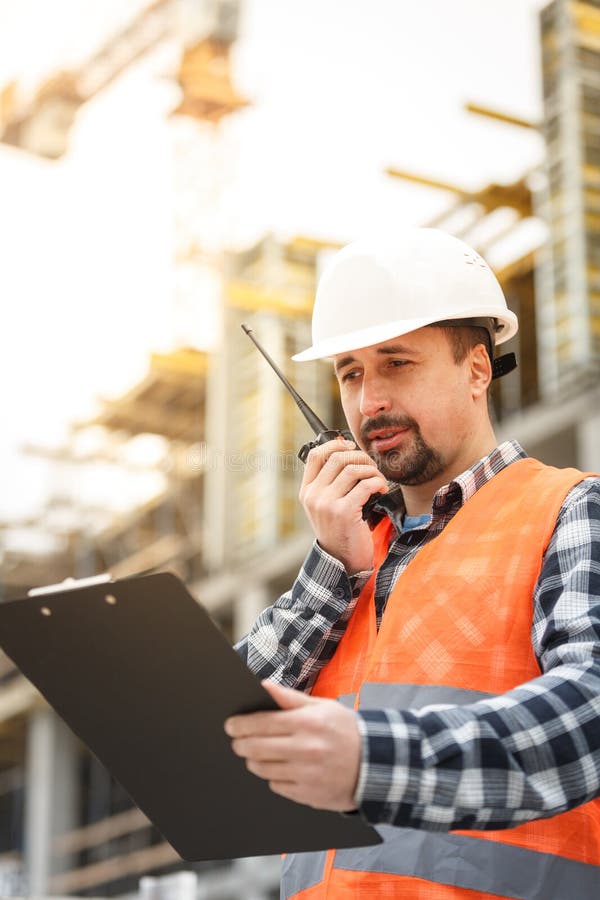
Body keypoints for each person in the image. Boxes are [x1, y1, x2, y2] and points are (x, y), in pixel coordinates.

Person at [224, 228, 600, 899]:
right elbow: (215, 745)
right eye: (351, 372)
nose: (368, 403)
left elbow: (592, 711)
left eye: (397, 364)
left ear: (477, 369)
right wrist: (331, 571)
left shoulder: (571, 510)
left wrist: (371, 759)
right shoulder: (349, 564)